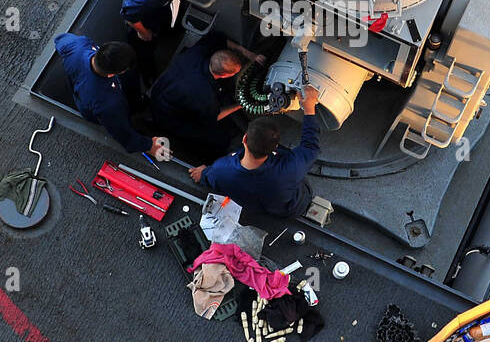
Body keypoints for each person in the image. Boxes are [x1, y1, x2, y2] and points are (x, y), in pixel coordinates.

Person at [189, 86, 320, 218]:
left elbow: (202, 176)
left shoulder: (221, 169)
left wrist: (204, 173)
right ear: (275, 147)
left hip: (257, 207)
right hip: (291, 207)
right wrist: (309, 109)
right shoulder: (291, 169)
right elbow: (310, 146)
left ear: (244, 138)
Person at [149, 31, 263, 159]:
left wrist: (248, 54)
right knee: (215, 137)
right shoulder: (203, 93)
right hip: (168, 116)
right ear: (224, 75)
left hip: (161, 89)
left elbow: (219, 39)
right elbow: (216, 115)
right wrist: (240, 104)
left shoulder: (199, 52)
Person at [54, 33, 168, 157]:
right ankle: (135, 112)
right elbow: (120, 132)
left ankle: (137, 102)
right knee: (120, 118)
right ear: (114, 74)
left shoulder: (77, 45)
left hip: (82, 87)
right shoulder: (108, 103)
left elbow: (60, 40)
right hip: (95, 107)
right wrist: (148, 145)